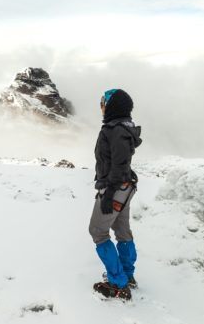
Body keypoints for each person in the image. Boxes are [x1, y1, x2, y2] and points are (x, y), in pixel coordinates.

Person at [88, 88, 142, 300]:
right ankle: (127, 276)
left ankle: (118, 284)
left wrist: (109, 193)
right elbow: (121, 161)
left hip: (115, 188)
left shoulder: (116, 129)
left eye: (104, 102)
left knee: (97, 231)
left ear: (112, 105)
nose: (101, 106)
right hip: (124, 187)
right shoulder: (123, 127)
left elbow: (119, 163)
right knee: (122, 231)